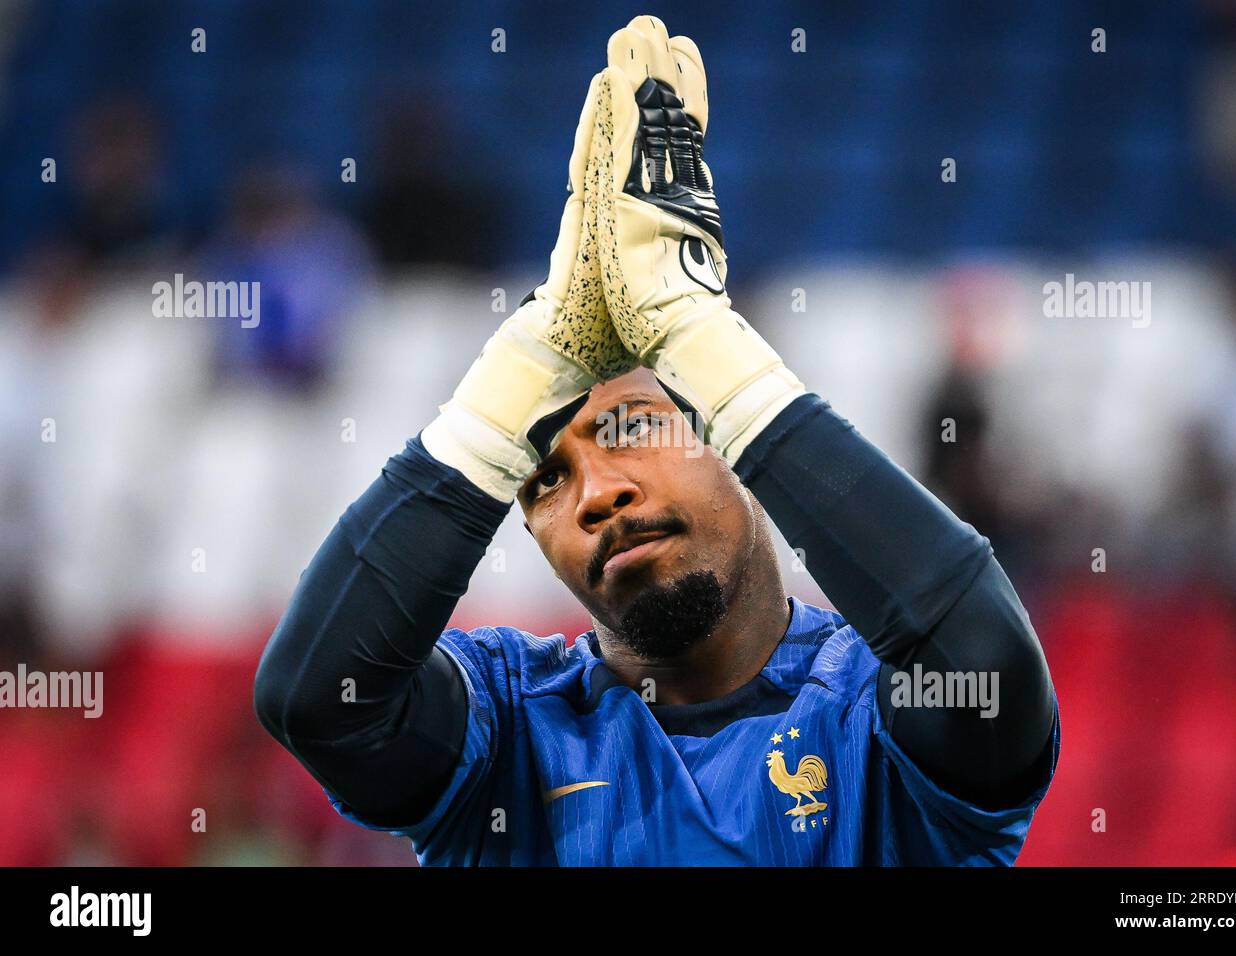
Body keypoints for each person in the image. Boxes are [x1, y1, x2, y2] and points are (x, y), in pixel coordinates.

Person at [254, 16, 1058, 866]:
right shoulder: (510, 726)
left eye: (632, 428)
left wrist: (695, 329)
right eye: (543, 480)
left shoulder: (873, 708)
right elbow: (317, 704)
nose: (598, 492)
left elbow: (990, 666)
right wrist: (527, 366)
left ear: (734, 444)